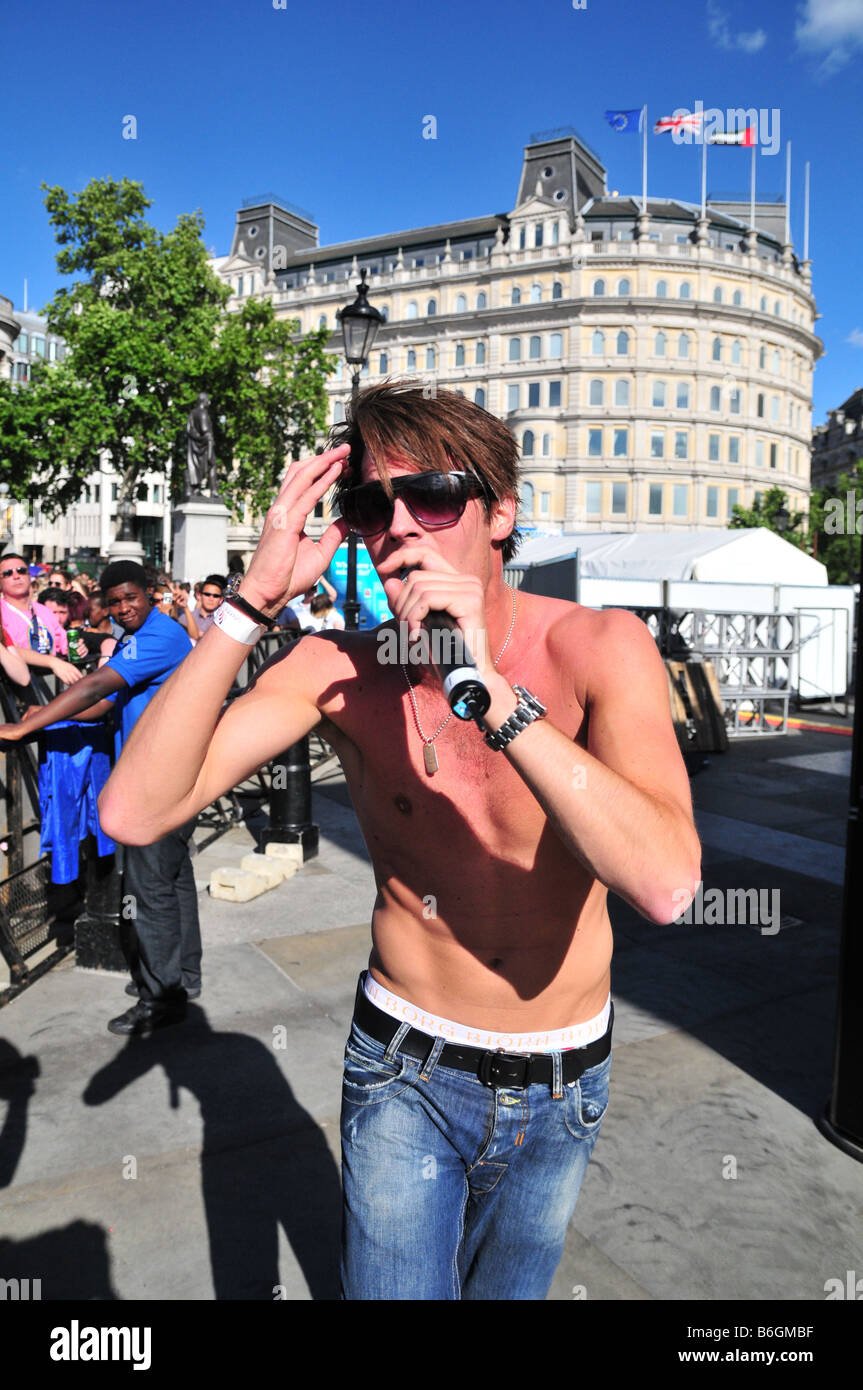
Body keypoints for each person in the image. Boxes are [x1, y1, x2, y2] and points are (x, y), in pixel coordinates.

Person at [96, 382, 700, 1300]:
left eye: (433, 495)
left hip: (563, 1077)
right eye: (370, 506)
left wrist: (486, 691)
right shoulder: (336, 668)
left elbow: (664, 883)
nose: (399, 527)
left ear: (500, 512)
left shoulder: (599, 646)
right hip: (404, 1069)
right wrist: (252, 600)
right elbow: (135, 813)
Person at [0, 560, 202, 1036]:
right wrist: (49, 716)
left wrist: (27, 724)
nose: (123, 607)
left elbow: (96, 685)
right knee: (174, 882)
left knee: (149, 891)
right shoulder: (138, 636)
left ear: (151, 593)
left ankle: (160, 998)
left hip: (157, 780)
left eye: (131, 597)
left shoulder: (161, 635)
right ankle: (182, 980)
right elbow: (108, 701)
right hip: (173, 774)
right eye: (113, 602)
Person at [0, 552, 82, 685]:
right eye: (8, 573)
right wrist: (52, 662)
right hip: (16, 692)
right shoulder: (1, 611)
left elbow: (63, 641)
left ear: (29, 576)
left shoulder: (44, 610)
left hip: (49, 685)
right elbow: (10, 650)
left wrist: (78, 646)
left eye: (21, 571)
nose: (16, 576)